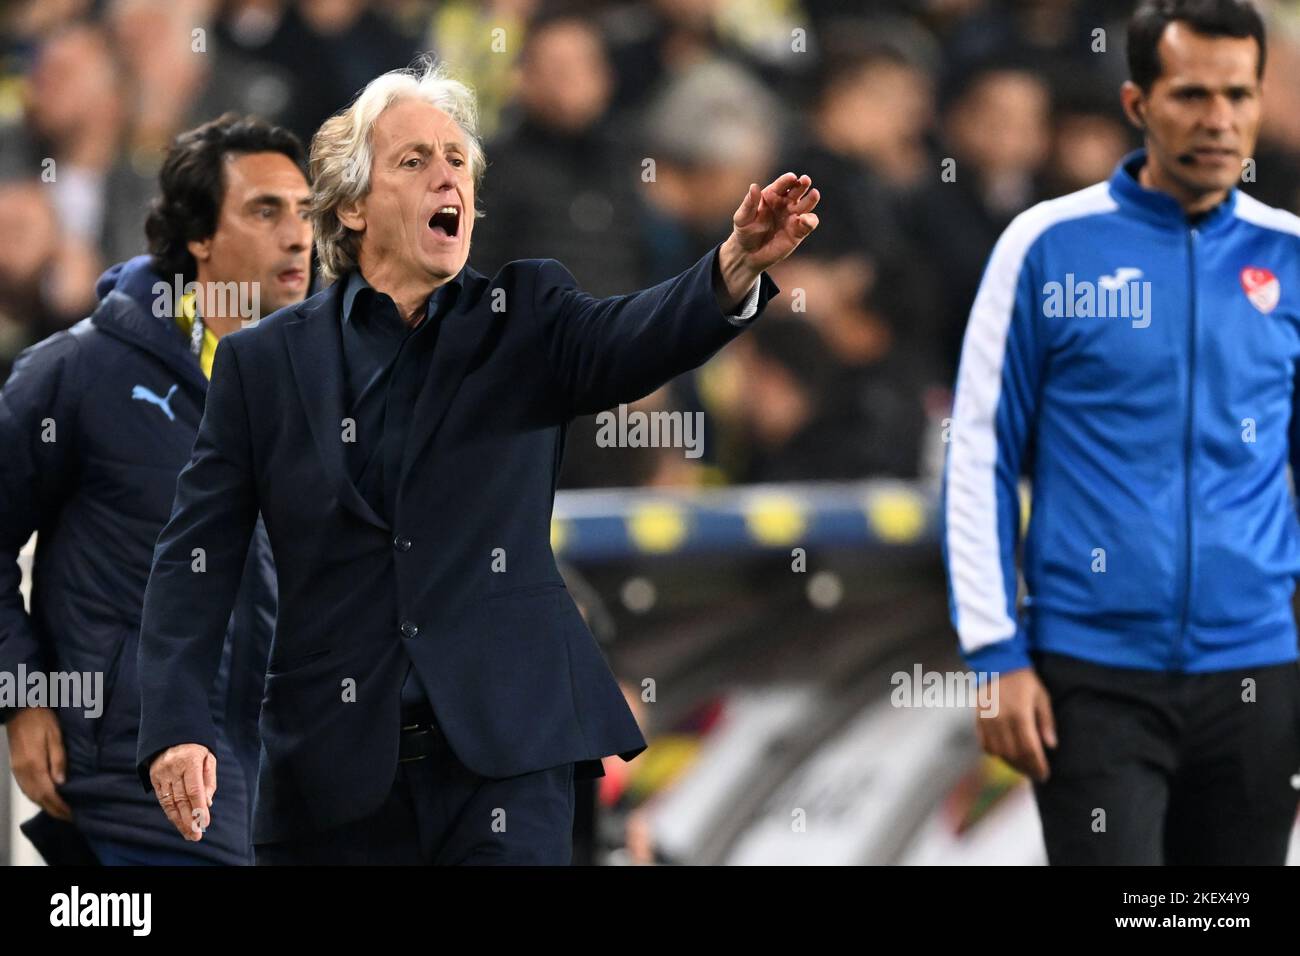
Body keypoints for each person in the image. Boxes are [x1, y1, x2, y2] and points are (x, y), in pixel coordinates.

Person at [136, 58, 818, 865]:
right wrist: (179, 725)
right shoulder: (261, 364)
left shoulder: (526, 315)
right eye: (414, 160)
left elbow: (632, 338)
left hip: (507, 757)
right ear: (351, 206)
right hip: (334, 775)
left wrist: (735, 264)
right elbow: (197, 554)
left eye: (457, 160)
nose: (446, 177)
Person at [943, 0, 1300, 865]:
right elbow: (979, 455)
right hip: (1092, 675)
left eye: (1238, 96)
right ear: (1138, 105)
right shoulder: (1044, 247)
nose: (1219, 120)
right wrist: (995, 652)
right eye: (1192, 96)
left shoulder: (1291, 256)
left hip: (1257, 670)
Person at [0, 113, 312, 865]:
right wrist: (20, 697)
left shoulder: (333, 379)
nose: (298, 237)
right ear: (200, 235)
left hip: (290, 765)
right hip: (135, 770)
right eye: (265, 212)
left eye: (306, 212)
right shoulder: (79, 373)